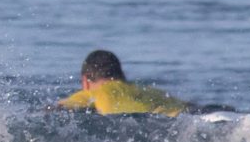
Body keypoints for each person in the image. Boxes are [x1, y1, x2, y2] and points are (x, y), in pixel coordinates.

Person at [55, 49, 199, 115]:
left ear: (85, 80)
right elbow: (189, 107)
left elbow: (61, 107)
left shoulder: (93, 94)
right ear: (122, 75)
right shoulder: (150, 92)